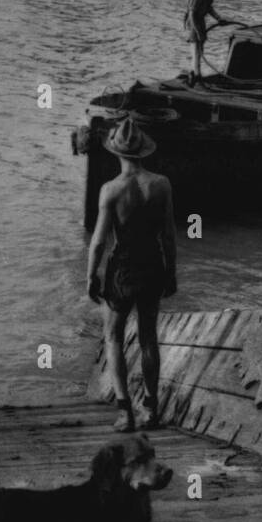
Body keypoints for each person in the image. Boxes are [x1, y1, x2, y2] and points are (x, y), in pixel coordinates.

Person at [87, 118, 177, 433]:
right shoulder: (161, 184)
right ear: (143, 151)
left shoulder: (110, 190)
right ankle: (151, 408)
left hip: (122, 267)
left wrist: (91, 276)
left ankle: (125, 411)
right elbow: (168, 235)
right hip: (152, 264)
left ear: (117, 152)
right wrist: (171, 272)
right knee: (148, 338)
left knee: (113, 337)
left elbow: (99, 241)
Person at [183, 0, 228, 86]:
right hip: (193, 22)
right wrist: (198, 32)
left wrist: (218, 18)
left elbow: (208, 7)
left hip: (200, 21)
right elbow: (191, 14)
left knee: (200, 50)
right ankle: (196, 76)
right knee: (196, 51)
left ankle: (194, 73)